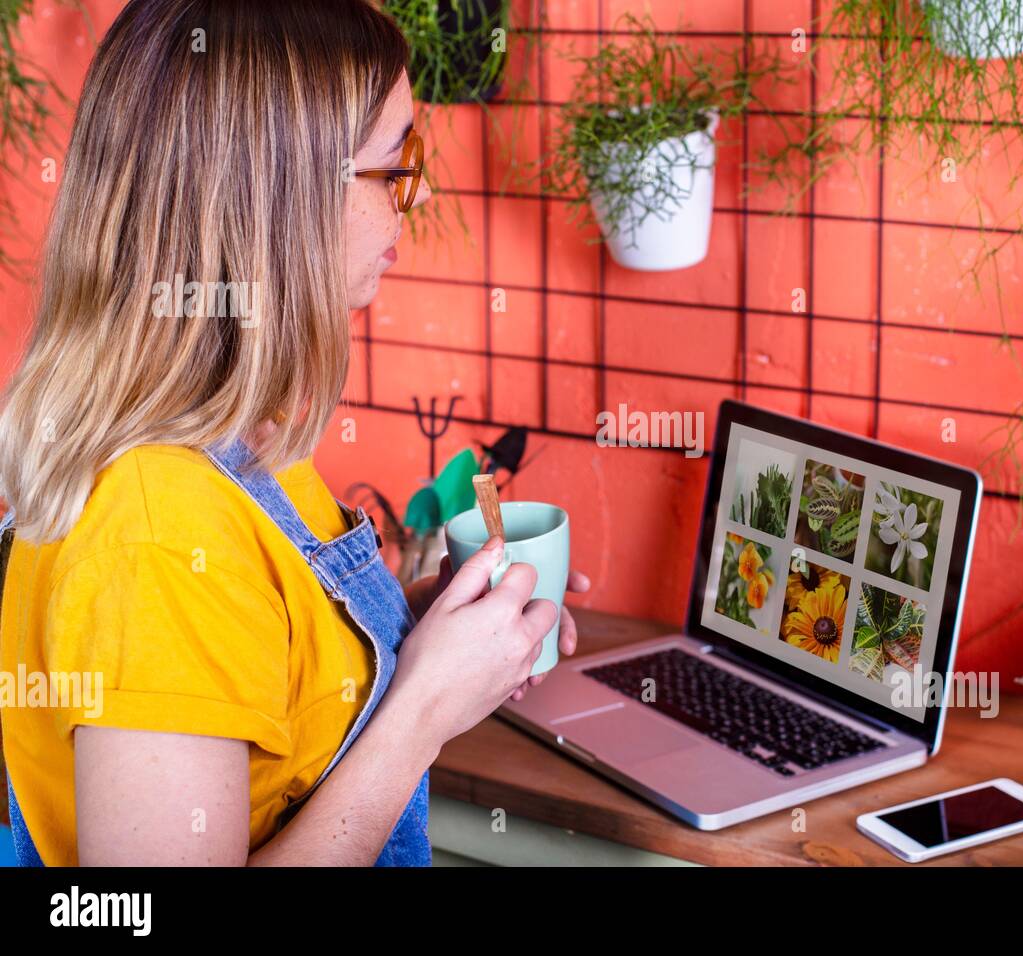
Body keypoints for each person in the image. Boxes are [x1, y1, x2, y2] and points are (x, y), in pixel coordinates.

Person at [0, 0, 588, 866]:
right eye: (397, 166)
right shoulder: (159, 534)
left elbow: (258, 674)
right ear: (281, 202)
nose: (412, 197)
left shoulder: (236, 445)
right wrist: (424, 709)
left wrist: (428, 644)